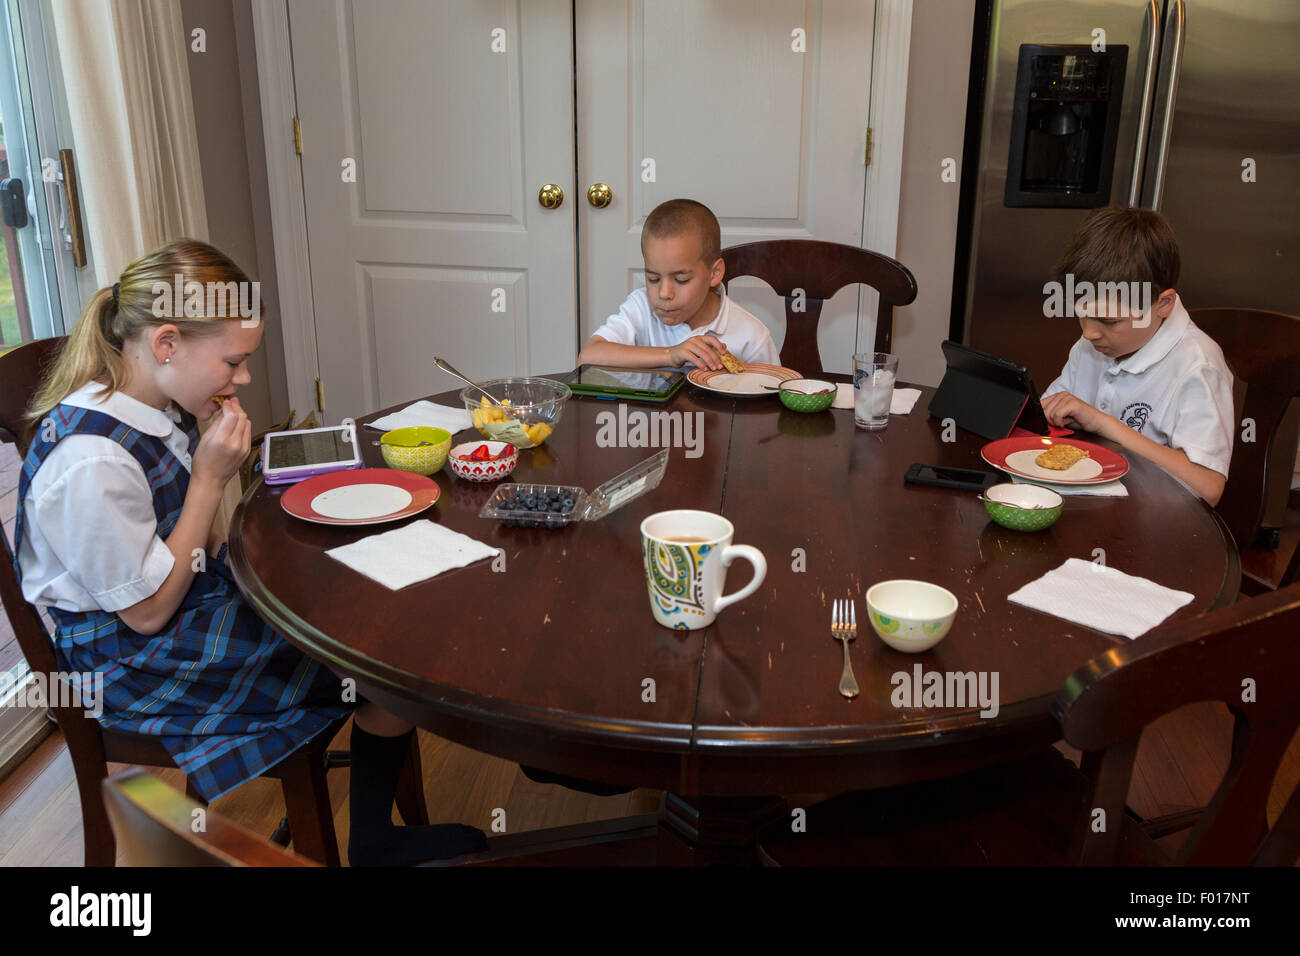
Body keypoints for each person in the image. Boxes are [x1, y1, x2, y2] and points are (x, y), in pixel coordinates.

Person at [14, 239, 485, 866]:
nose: (244, 379)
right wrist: (210, 478)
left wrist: (217, 487)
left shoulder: (158, 404)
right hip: (131, 661)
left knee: (362, 602)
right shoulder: (90, 461)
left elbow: (193, 540)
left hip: (175, 606)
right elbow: (147, 613)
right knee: (380, 653)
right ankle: (375, 840)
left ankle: (374, 830)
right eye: (233, 362)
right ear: (167, 344)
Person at [1040, 206, 1233, 505]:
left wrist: (1105, 423)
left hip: (1157, 527)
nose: (1089, 333)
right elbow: (1053, 415)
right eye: (1081, 314)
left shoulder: (1198, 366)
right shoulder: (1094, 343)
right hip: (1097, 506)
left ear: (1163, 304)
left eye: (1108, 321)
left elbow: (1209, 487)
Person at [578, 198, 780, 371]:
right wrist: (670, 354)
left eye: (681, 280)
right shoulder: (640, 308)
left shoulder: (751, 337)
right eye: (653, 279)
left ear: (714, 273)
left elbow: (772, 404)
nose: (664, 293)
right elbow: (587, 358)